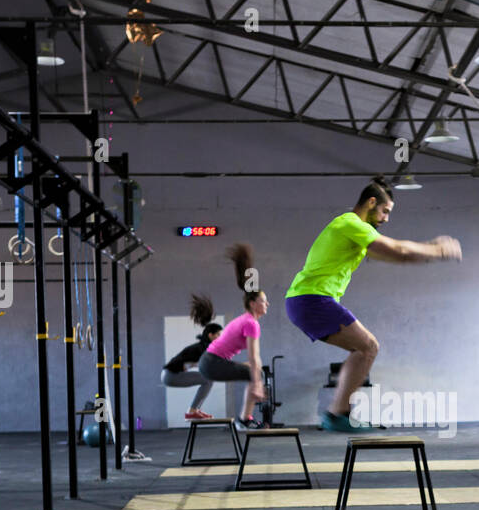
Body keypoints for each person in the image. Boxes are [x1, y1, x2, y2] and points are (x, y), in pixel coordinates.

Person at [286, 175, 462, 432]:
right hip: (311, 299)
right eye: (384, 211)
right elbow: (399, 250)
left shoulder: (353, 232)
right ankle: (337, 414)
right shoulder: (349, 223)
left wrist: (430, 249)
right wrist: (440, 250)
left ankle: (339, 412)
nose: (386, 218)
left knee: (364, 348)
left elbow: (399, 256)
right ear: (371, 202)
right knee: (368, 347)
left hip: (305, 301)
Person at [196, 243, 269, 431]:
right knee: (256, 373)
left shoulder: (245, 319)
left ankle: (244, 419)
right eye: (263, 300)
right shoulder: (251, 323)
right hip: (212, 363)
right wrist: (258, 383)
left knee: (252, 370)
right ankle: (244, 420)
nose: (267, 303)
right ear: (253, 304)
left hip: (209, 362)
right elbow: (254, 357)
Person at [162, 302, 223, 420]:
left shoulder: (202, 346)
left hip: (170, 374)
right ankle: (192, 411)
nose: (221, 338)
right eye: (218, 335)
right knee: (208, 379)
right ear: (211, 335)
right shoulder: (205, 348)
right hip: (171, 375)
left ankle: (194, 410)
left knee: (208, 378)